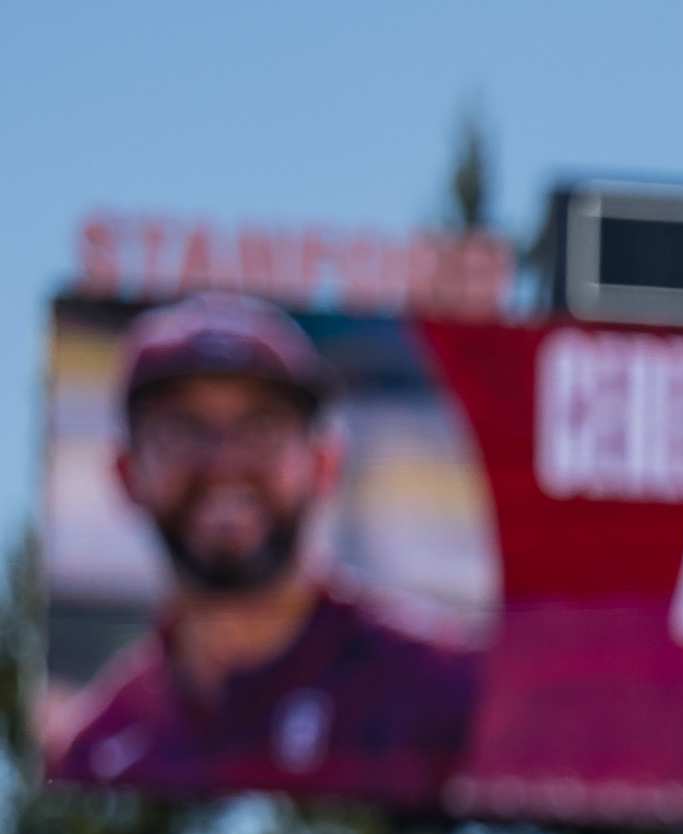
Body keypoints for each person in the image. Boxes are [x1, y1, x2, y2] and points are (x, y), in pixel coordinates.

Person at [44, 292, 480, 807]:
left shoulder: (451, 689)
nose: (223, 462)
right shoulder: (94, 751)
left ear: (323, 464)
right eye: (180, 430)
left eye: (262, 427)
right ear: (126, 473)